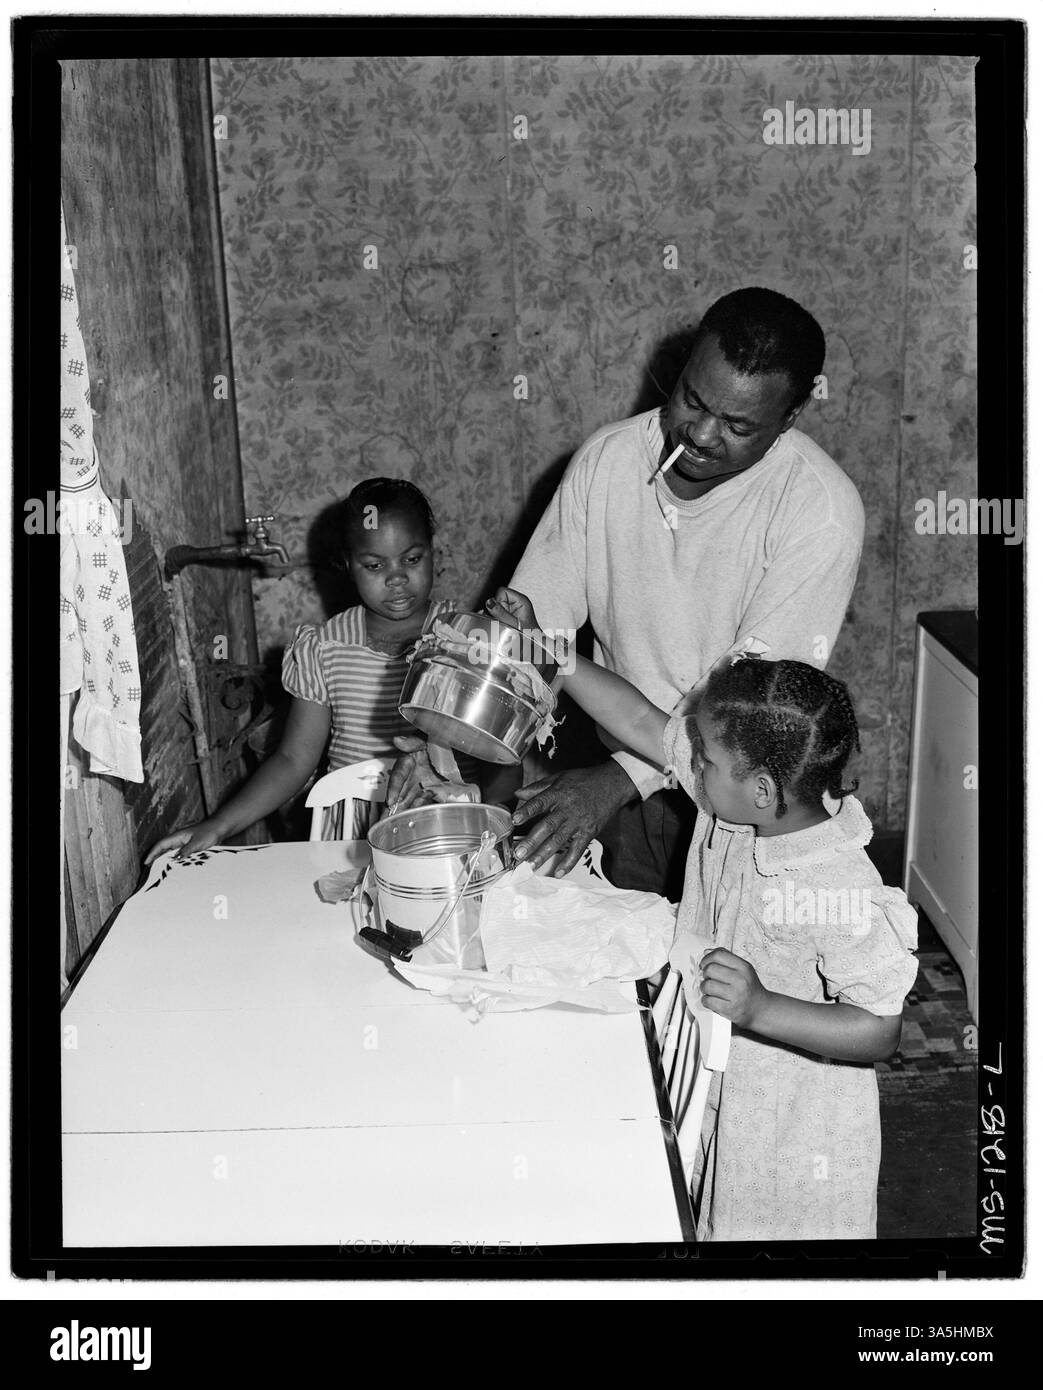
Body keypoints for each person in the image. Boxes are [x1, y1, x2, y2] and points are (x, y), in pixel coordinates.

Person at [486, 586, 919, 1240]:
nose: (688, 761)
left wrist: (760, 1008)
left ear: (763, 788)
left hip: (795, 1133)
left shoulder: (836, 882)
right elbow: (637, 720)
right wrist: (547, 654)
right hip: (723, 1082)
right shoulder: (738, 805)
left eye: (705, 758)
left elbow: (880, 1029)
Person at [500, 285, 865, 893]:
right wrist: (439, 738)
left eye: (738, 426)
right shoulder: (607, 462)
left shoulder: (818, 513)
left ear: (790, 417)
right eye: (692, 400)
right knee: (632, 975)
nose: (700, 434)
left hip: (752, 808)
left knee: (733, 975)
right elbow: (532, 636)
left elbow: (750, 724)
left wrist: (617, 779)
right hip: (629, 794)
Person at [145, 478, 505, 863]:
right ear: (349, 565)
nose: (397, 577)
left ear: (434, 553)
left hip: (449, 832)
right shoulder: (325, 646)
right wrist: (217, 825)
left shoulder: (467, 640)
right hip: (349, 840)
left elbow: (502, 757)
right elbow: (293, 759)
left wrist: (497, 826)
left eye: (412, 559)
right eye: (375, 565)